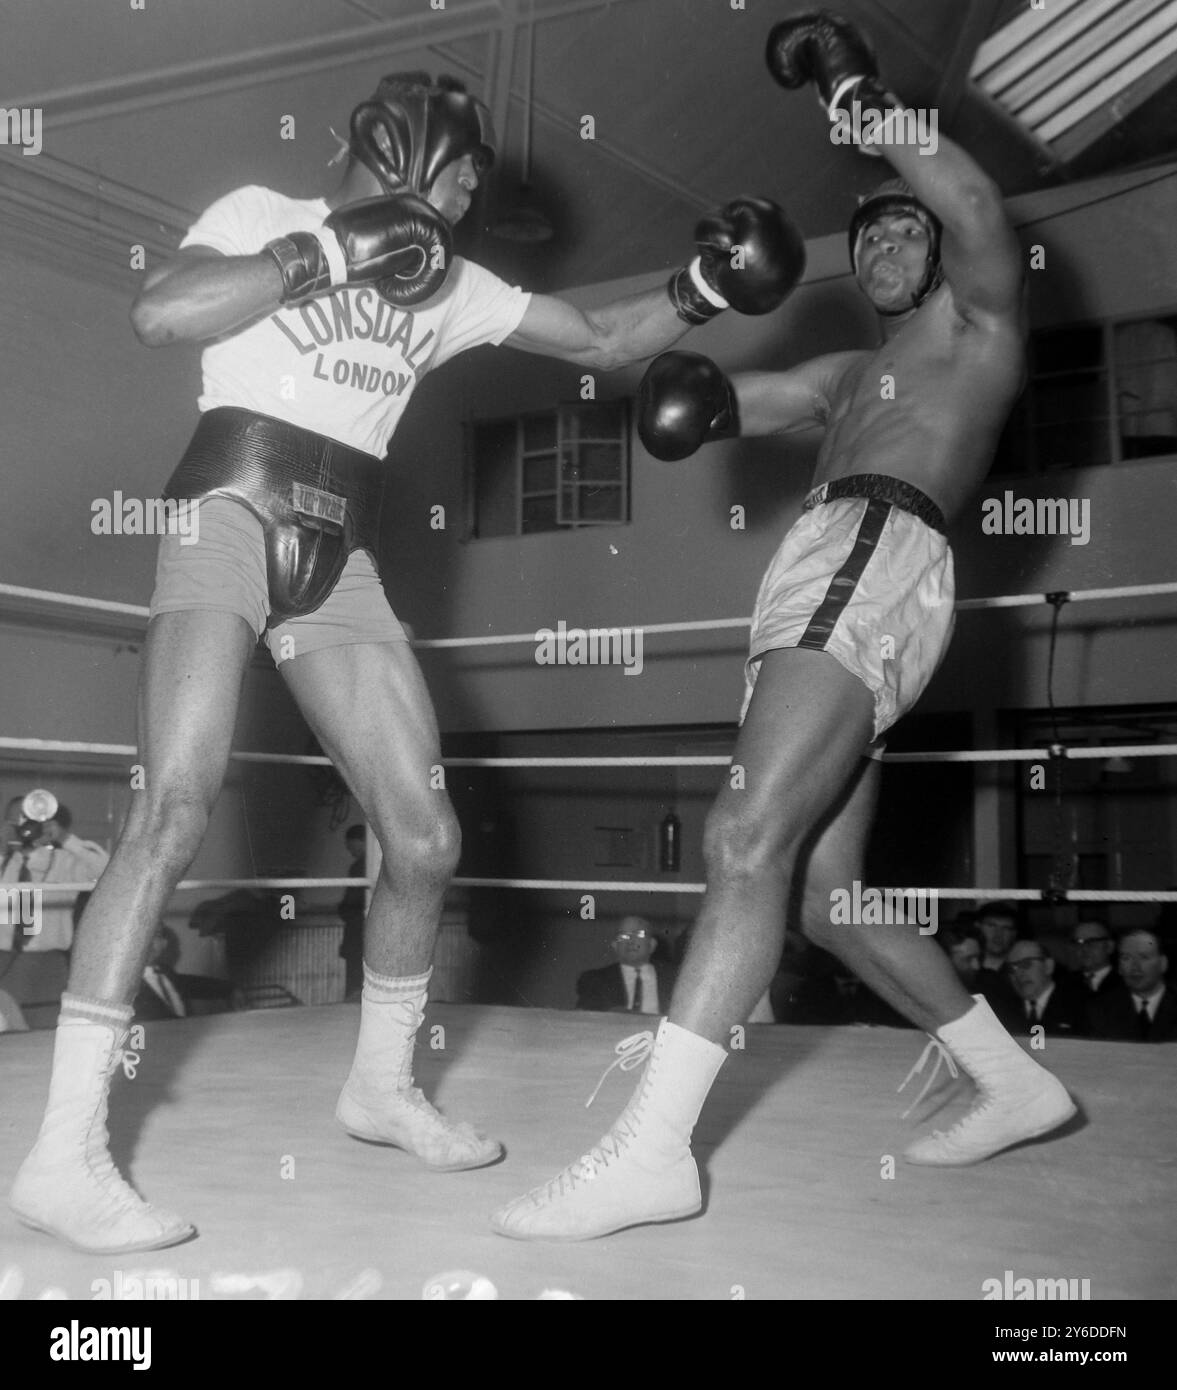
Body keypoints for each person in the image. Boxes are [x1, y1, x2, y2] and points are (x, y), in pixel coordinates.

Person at [9, 70, 803, 1255]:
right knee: (171, 805)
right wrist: (326, 253)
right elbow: (161, 314)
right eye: (469, 162)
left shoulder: (450, 281)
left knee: (423, 836)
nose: (481, 184)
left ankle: (378, 1087)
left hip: (344, 548)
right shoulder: (260, 210)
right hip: (227, 506)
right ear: (407, 141)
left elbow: (596, 336)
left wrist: (701, 287)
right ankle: (62, 1159)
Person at [492, 14, 1075, 1242]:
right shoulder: (845, 383)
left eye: (902, 223)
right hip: (831, 564)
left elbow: (970, 200)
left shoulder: (977, 327)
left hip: (875, 549)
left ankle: (652, 1150)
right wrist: (692, 324)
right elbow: (699, 411)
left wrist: (861, 98)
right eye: (866, 231)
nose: (886, 239)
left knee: (743, 836)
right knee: (820, 892)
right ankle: (1013, 1077)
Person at [0, 796, 110, 1020]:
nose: (23, 828)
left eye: (28, 820)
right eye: (14, 821)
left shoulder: (64, 861)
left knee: (42, 1030)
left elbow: (108, 871)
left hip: (46, 964)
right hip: (2, 958)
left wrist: (66, 839)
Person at [1088, 929, 1177, 1042]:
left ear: (1163, 963)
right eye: (1126, 958)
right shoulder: (1101, 1010)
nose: (1135, 966)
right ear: (1119, 967)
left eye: (1144, 957)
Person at [576, 917, 677, 1015]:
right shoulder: (595, 980)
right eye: (624, 936)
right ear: (615, 946)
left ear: (652, 944)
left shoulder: (676, 978)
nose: (631, 941)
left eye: (639, 934)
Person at [997, 939, 1086, 1039]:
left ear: (1048, 966)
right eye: (1012, 968)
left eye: (1026, 964)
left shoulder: (1079, 1005)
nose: (1018, 974)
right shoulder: (1002, 1011)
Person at [337, 824, 368, 1000]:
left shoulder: (359, 867)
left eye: (351, 846)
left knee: (355, 986)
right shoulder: (380, 865)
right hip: (370, 935)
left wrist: (341, 909)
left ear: (361, 842)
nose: (350, 851)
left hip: (357, 935)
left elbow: (349, 904)